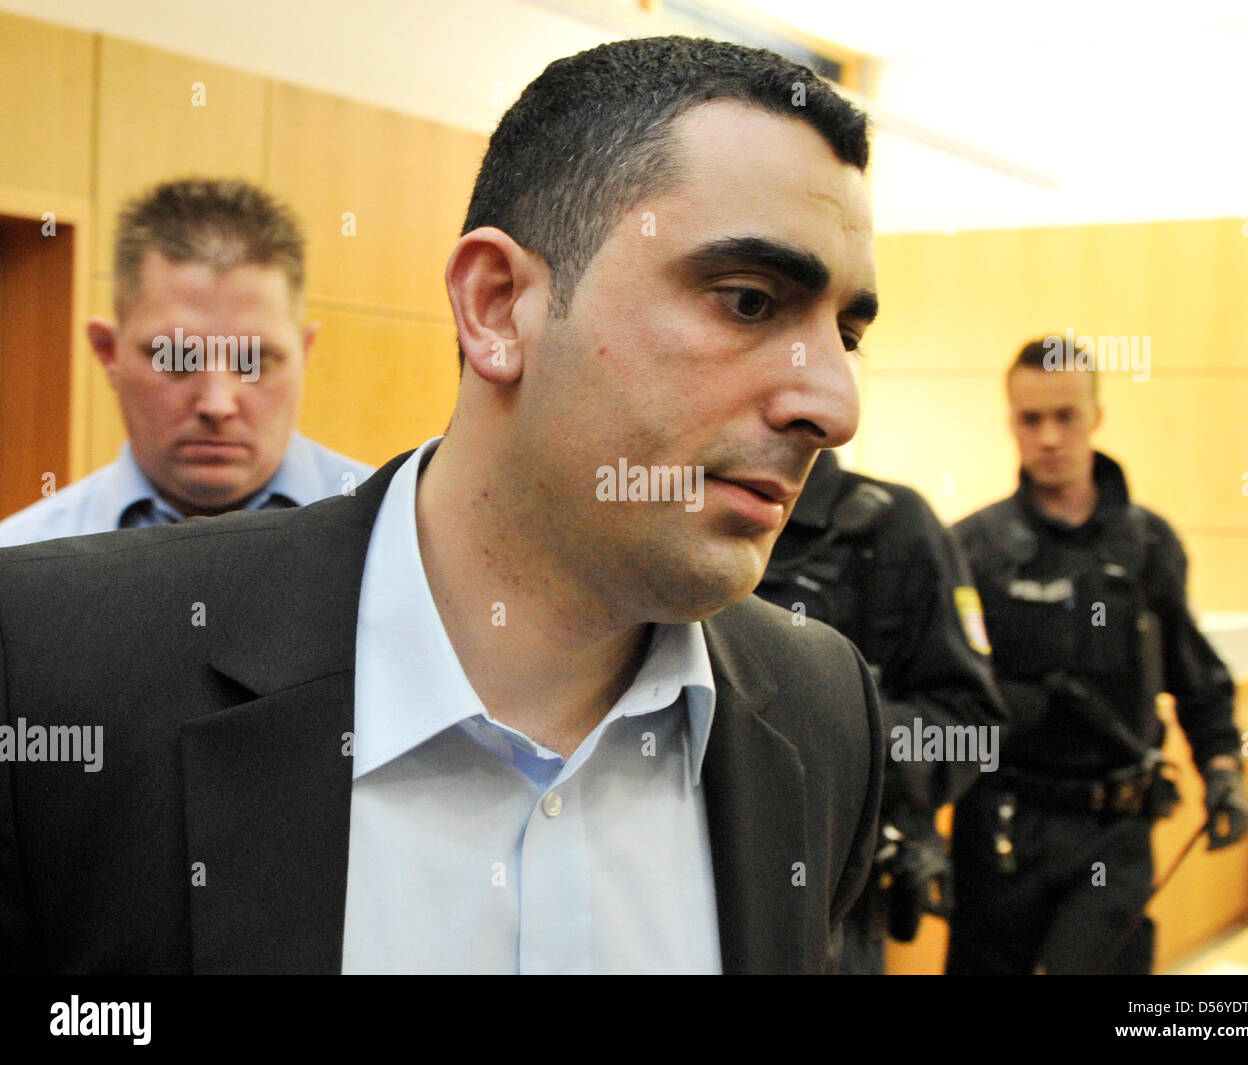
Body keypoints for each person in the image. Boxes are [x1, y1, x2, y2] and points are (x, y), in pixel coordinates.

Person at [0, 37, 883, 974]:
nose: (834, 405)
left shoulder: (823, 712)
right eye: (749, 301)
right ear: (499, 306)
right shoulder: (54, 664)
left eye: (850, 334)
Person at [945, 337, 1248, 975]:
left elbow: (1196, 677)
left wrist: (1223, 768)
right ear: (1012, 423)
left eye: (1067, 416)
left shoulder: (1146, 544)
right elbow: (938, 696)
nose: (1050, 437)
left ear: (1096, 416)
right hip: (1001, 829)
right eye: (1032, 419)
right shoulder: (972, 548)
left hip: (1114, 830)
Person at [0, 178, 373, 548]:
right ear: (108, 352)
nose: (217, 405)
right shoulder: (19, 566)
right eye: (176, 359)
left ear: (304, 353)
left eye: (254, 361)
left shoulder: (401, 538)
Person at [755, 448, 1005, 973]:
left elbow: (970, 728)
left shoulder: (895, 526)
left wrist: (844, 729)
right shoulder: (676, 509)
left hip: (834, 903)